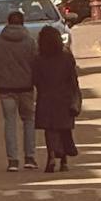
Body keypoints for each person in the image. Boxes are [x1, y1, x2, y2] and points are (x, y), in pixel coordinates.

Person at [0, 8, 38, 170]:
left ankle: (13, 160)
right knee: (28, 121)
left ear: (8, 23)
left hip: (6, 88)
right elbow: (36, 65)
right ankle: (30, 157)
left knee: (10, 123)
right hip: (26, 87)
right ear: (22, 22)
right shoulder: (30, 42)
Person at [34, 23, 81, 174]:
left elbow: (35, 79)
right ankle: (64, 161)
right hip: (64, 97)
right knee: (64, 129)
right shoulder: (66, 57)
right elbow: (73, 79)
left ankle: (51, 157)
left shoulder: (39, 59)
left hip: (46, 97)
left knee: (50, 130)